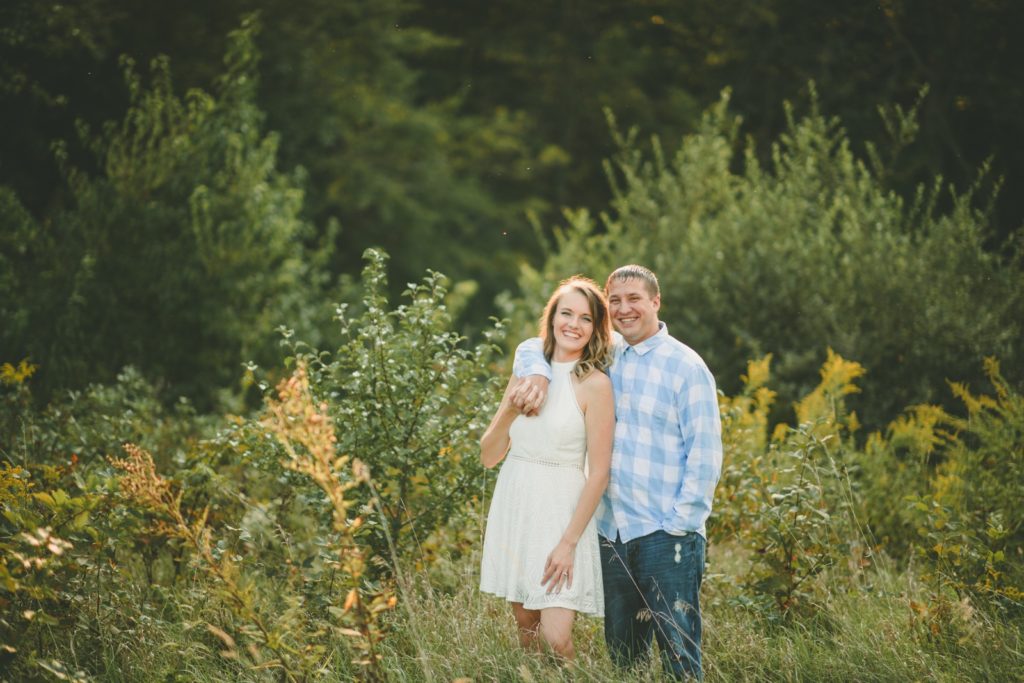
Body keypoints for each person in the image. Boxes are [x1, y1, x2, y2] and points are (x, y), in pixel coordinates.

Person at [512, 264, 722, 680]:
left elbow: (705, 455)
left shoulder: (686, 367)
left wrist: (680, 524)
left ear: (655, 302)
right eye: (615, 301)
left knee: (680, 654)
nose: (624, 309)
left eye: (634, 299)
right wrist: (536, 370)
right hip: (612, 534)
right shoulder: (608, 354)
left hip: (666, 535)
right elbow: (538, 344)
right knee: (626, 661)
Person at [479, 276, 615, 660]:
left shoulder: (596, 385)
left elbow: (600, 472)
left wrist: (568, 543)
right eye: (566, 313)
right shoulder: (527, 370)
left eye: (585, 318)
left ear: (595, 328)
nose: (573, 324)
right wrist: (509, 409)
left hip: (561, 514)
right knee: (527, 631)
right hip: (517, 501)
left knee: (556, 639)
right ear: (552, 317)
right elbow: (489, 456)